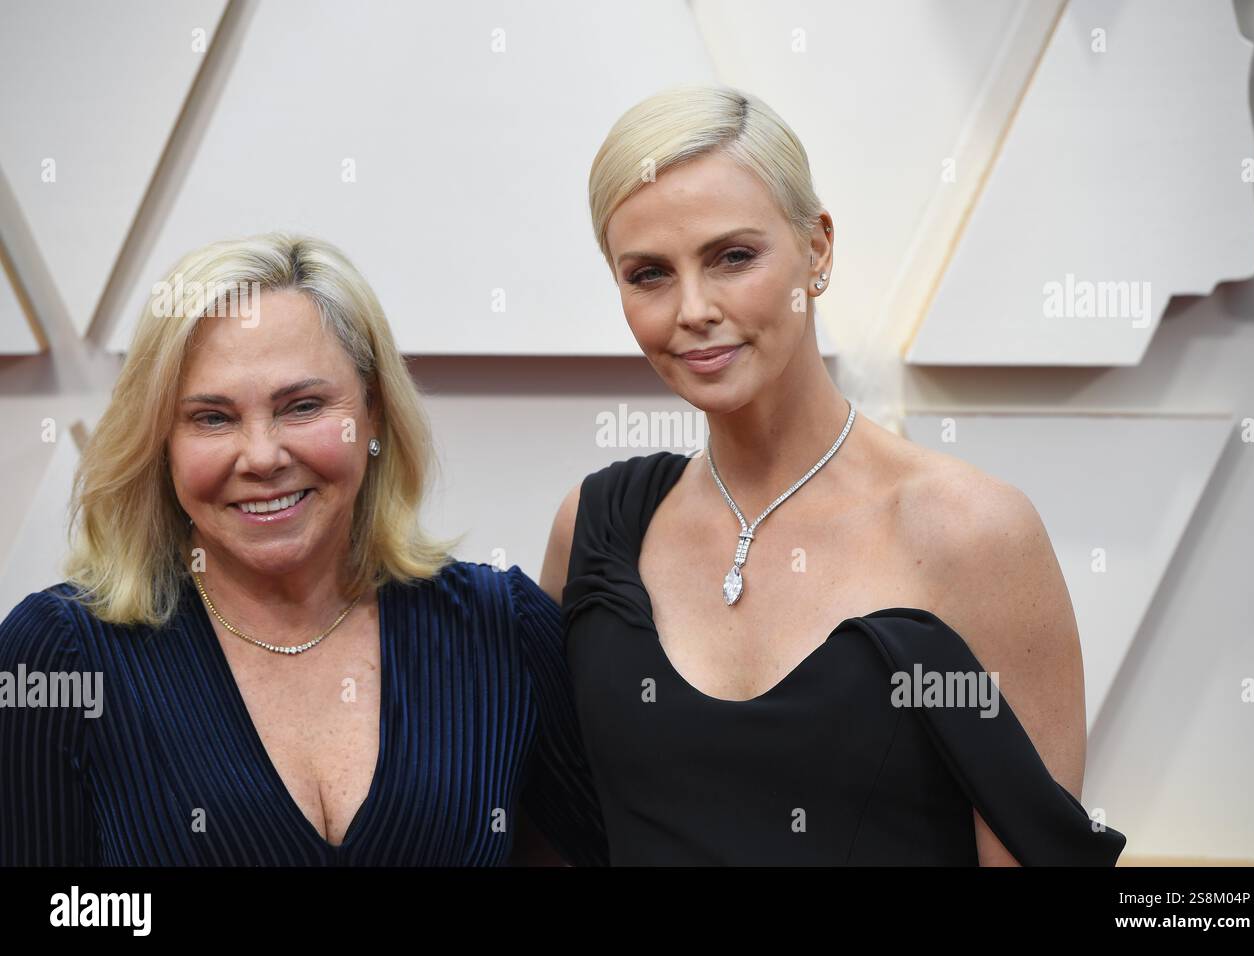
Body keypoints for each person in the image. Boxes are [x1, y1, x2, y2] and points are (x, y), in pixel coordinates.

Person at [540, 85, 1127, 865]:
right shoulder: (596, 527)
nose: (693, 309)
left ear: (816, 250)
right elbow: (549, 826)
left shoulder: (970, 531)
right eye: (648, 274)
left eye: (733, 257)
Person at [0, 233, 607, 866]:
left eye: (303, 406)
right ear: (161, 442)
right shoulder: (57, 655)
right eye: (213, 418)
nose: (262, 457)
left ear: (372, 412)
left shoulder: (503, 628)